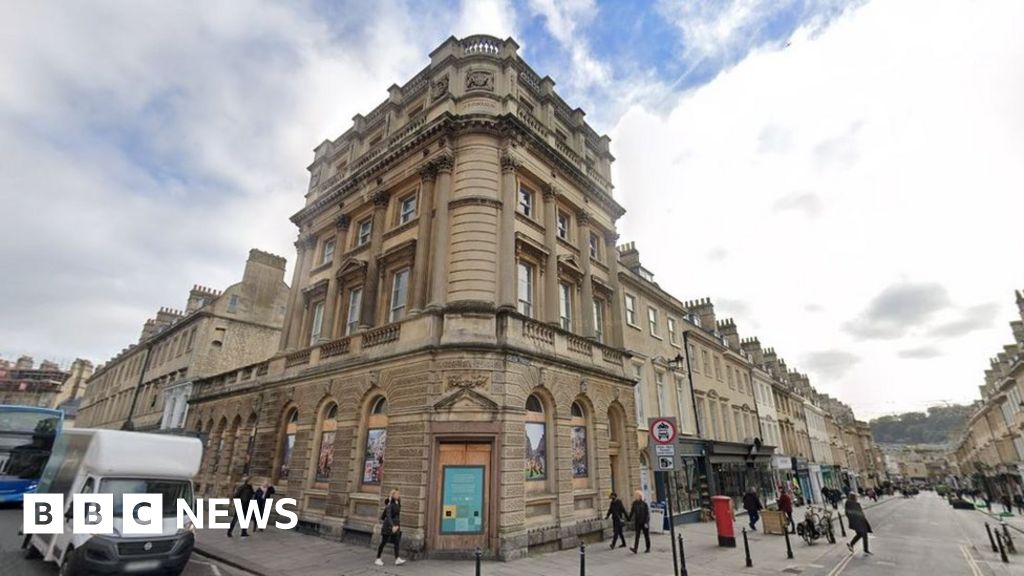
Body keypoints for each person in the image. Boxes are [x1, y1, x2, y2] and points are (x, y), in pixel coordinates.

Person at [375, 489, 406, 566]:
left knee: (396, 542)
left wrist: (396, 526)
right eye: (397, 494)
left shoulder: (397, 502)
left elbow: (397, 514)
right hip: (388, 526)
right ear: (393, 495)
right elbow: (388, 516)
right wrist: (392, 526)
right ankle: (378, 558)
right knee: (383, 542)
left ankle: (397, 559)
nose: (398, 495)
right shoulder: (389, 504)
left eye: (399, 494)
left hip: (396, 525)